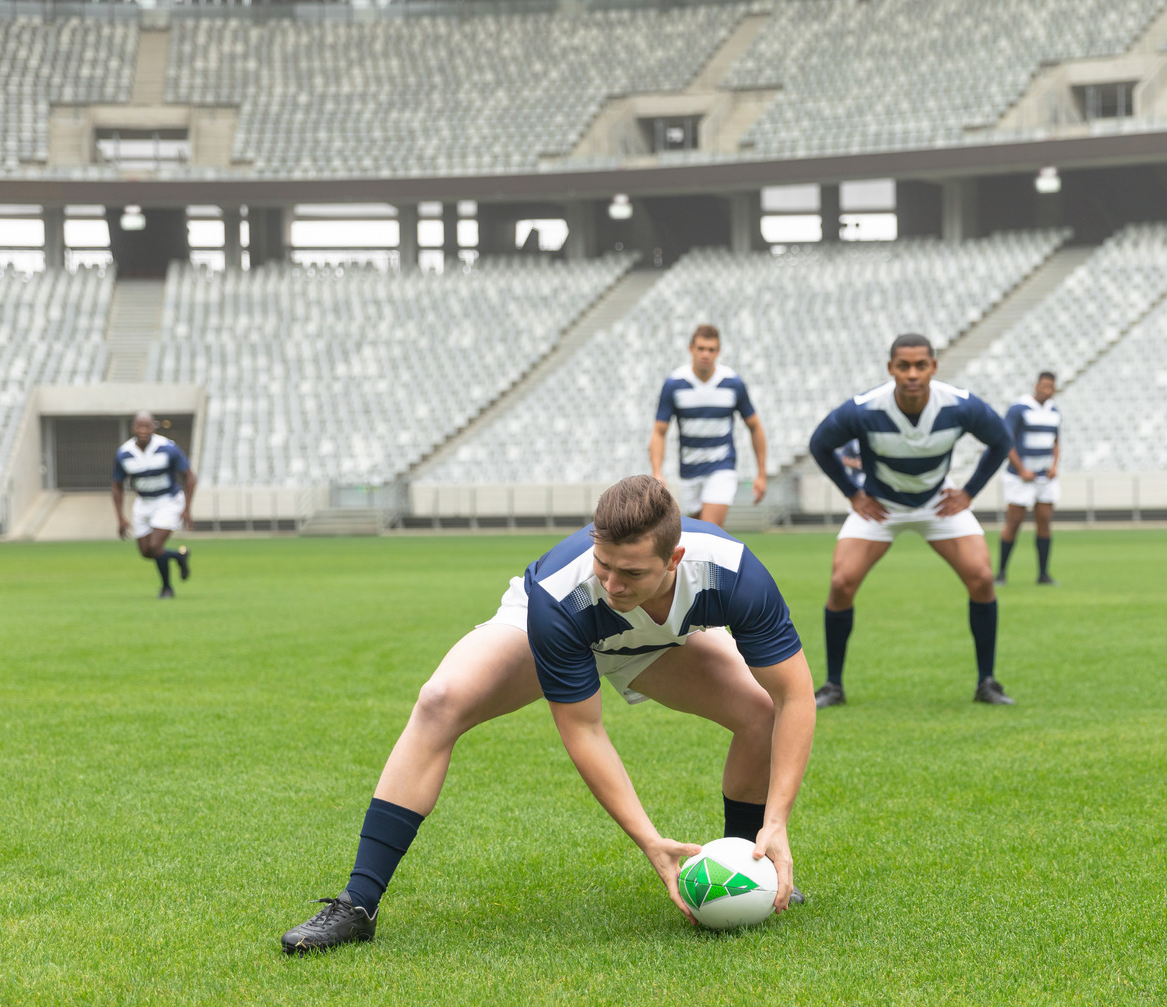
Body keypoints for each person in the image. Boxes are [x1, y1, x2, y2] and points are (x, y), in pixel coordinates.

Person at [279, 475, 815, 954]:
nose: (613, 585)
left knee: (761, 712)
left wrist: (778, 821)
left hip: (657, 640)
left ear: (673, 561)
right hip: (556, 628)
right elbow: (584, 727)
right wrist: (649, 839)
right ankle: (358, 904)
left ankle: (750, 868)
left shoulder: (732, 573)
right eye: (603, 564)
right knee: (439, 701)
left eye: (630, 572)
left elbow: (795, 696)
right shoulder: (565, 591)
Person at [806, 333, 1016, 708]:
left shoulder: (959, 405)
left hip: (937, 503)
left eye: (921, 365)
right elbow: (820, 443)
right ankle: (833, 685)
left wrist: (968, 492)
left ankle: (987, 682)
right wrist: (853, 495)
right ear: (891, 369)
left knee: (982, 578)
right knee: (841, 583)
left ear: (934, 367)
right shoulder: (865, 409)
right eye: (904, 366)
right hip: (881, 506)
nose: (913, 374)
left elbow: (1001, 438)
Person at [649, 324, 768, 526]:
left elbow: (755, 426)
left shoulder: (732, 383)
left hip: (721, 465)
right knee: (695, 538)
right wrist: (657, 472)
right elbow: (659, 432)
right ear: (691, 349)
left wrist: (762, 474)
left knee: (709, 531)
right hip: (689, 470)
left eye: (711, 350)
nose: (706, 354)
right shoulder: (674, 384)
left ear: (718, 352)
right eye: (701, 348)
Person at [112, 411, 194, 599]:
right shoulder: (124, 453)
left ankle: (167, 588)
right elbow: (116, 485)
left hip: (168, 501)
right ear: (132, 428)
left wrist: (187, 509)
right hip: (144, 502)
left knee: (156, 547)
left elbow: (190, 477)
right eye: (139, 426)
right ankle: (179, 556)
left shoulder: (168, 448)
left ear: (154, 427)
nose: (142, 430)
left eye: (146, 426)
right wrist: (120, 517)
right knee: (146, 552)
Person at [995, 372, 1062, 586]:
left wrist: (1054, 466)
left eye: (1050, 387)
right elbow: (1006, 441)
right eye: (1043, 386)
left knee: (1044, 521)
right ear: (1036, 386)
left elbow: (1056, 441)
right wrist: (1021, 469)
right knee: (1014, 522)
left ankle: (1043, 574)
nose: (1046, 390)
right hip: (1020, 477)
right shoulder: (1019, 408)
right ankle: (1001, 573)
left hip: (1044, 477)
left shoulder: (1054, 411)